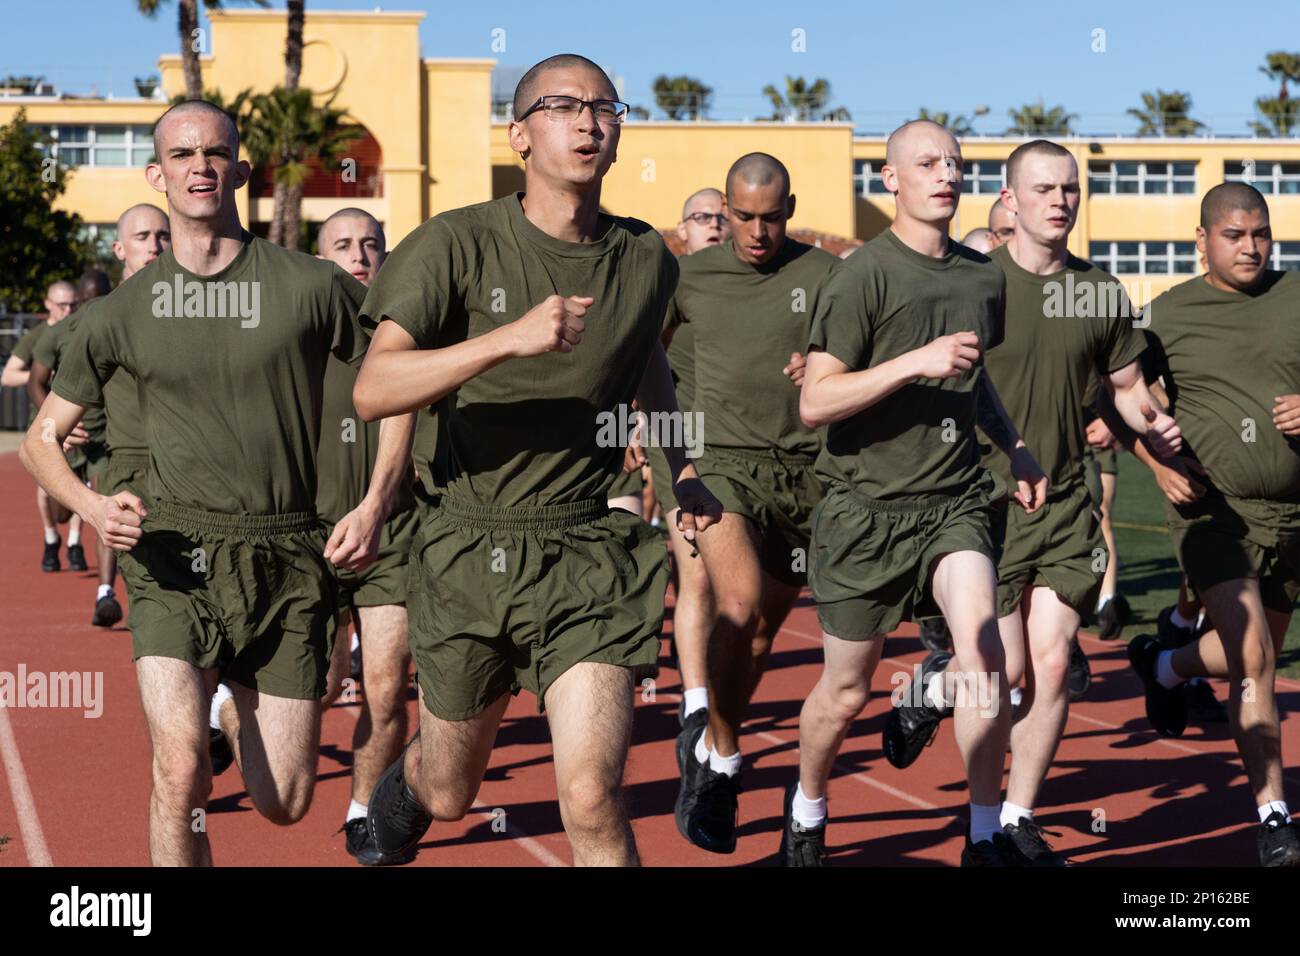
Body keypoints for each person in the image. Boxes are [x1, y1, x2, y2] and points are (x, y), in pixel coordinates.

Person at [353, 54, 721, 867]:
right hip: (466, 544)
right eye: (562, 107)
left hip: (590, 547)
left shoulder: (646, 258)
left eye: (605, 108)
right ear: (519, 135)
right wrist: (506, 339)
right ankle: (409, 794)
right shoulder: (453, 243)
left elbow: (647, 361)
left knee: (591, 794)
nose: (589, 122)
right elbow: (375, 389)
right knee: (452, 791)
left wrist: (680, 467)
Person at [20, 99, 406, 866]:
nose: (201, 165)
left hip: (288, 558)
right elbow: (39, 440)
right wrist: (95, 506)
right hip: (171, 556)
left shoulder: (313, 285)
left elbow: (399, 380)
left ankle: (231, 710)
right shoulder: (117, 314)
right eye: (184, 154)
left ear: (239, 168)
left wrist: (375, 499)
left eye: (216, 152)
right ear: (157, 173)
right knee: (179, 770)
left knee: (287, 802)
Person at [886, 140, 1179, 866]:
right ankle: (940, 713)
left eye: (1070, 188)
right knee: (1002, 674)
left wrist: (1161, 428)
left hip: (1067, 501)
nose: (1060, 200)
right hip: (978, 506)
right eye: (1043, 188)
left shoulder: (1100, 292)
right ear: (1010, 201)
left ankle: (1014, 820)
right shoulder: (972, 284)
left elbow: (1126, 392)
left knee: (1050, 667)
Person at [781, 120, 1047, 867]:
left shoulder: (982, 275)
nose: (945, 174)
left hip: (953, 501)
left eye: (956, 163)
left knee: (985, 655)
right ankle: (806, 809)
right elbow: (818, 401)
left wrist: (1016, 447)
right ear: (891, 179)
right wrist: (911, 362)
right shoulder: (861, 276)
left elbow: (973, 374)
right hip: (863, 511)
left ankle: (984, 833)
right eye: (927, 163)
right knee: (843, 689)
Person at [1115, 182, 1300, 865]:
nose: (1251, 247)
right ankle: (1274, 815)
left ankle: (1163, 664)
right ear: (1203, 240)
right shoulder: (1167, 314)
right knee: (1253, 657)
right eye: (1234, 235)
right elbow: (1115, 395)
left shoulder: (1295, 295)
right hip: (1212, 514)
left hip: (1293, 518)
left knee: (1254, 656)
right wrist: (1154, 464)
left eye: (1261, 233)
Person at [670, 153, 838, 855]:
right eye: (743, 217)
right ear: (724, 213)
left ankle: (710, 751)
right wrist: (672, 466)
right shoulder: (688, 278)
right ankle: (724, 762)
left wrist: (825, 365)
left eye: (772, 218)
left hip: (804, 473)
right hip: (720, 465)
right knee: (733, 601)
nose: (758, 231)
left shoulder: (826, 276)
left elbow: (853, 357)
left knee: (764, 634)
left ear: (790, 209)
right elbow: (643, 364)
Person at [644, 186, 727, 728]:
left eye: (723, 217)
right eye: (703, 217)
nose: (715, 226)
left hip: (741, 445)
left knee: (736, 584)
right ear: (684, 228)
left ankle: (713, 679)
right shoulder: (672, 280)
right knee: (698, 577)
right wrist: (632, 416)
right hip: (680, 441)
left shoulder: (751, 283)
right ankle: (696, 702)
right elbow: (638, 352)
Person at [29, 269, 121, 624]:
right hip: (69, 436)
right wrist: (56, 428)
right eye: (89, 299)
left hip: (106, 441)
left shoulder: (118, 324)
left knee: (105, 506)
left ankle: (105, 593)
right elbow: (36, 382)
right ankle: (57, 537)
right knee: (65, 512)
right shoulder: (56, 334)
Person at [4, 281, 82, 572]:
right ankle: (52, 538)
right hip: (45, 420)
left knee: (81, 479)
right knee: (46, 484)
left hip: (79, 420)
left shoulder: (80, 330)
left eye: (73, 304)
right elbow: (9, 375)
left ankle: (75, 542)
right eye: (62, 305)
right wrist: (41, 374)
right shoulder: (38, 337)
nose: (68, 310)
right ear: (48, 304)